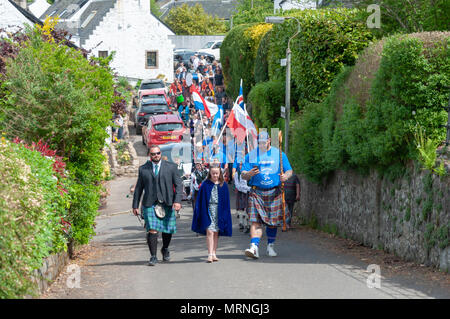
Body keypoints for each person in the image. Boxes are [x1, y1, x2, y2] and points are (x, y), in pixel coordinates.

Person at [241, 132, 293, 259]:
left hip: (274, 192)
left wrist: (285, 176)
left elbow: (289, 170)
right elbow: (243, 174)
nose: (262, 144)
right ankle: (254, 247)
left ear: (269, 140)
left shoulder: (279, 154)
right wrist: (249, 174)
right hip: (256, 192)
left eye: (264, 142)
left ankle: (270, 246)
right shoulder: (251, 155)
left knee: (272, 222)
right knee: (255, 222)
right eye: (260, 142)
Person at [132, 145, 183, 266]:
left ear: (160, 153)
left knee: (167, 230)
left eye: (158, 153)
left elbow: (179, 185)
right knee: (152, 230)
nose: (156, 156)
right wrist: (135, 205)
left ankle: (165, 248)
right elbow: (139, 188)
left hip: (167, 202)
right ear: (149, 155)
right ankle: (153, 256)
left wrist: (177, 201)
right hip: (149, 203)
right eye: (153, 154)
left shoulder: (171, 167)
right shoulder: (143, 169)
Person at [191, 164, 232, 262]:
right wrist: (200, 211)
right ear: (210, 173)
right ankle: (209, 254)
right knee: (209, 231)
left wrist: (226, 213)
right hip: (208, 209)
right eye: (213, 173)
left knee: (216, 232)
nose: (215, 175)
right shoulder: (206, 184)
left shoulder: (223, 185)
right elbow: (201, 199)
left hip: (219, 210)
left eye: (217, 173)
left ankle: (214, 253)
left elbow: (226, 201)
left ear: (220, 174)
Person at [234, 162, 251, 233]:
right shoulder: (237, 174)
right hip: (241, 193)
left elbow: (250, 184)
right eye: (240, 165)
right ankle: (241, 223)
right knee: (240, 209)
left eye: (242, 165)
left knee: (247, 209)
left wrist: (247, 189)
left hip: (248, 193)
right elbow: (237, 185)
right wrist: (244, 189)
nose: (241, 166)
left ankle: (248, 225)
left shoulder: (249, 174)